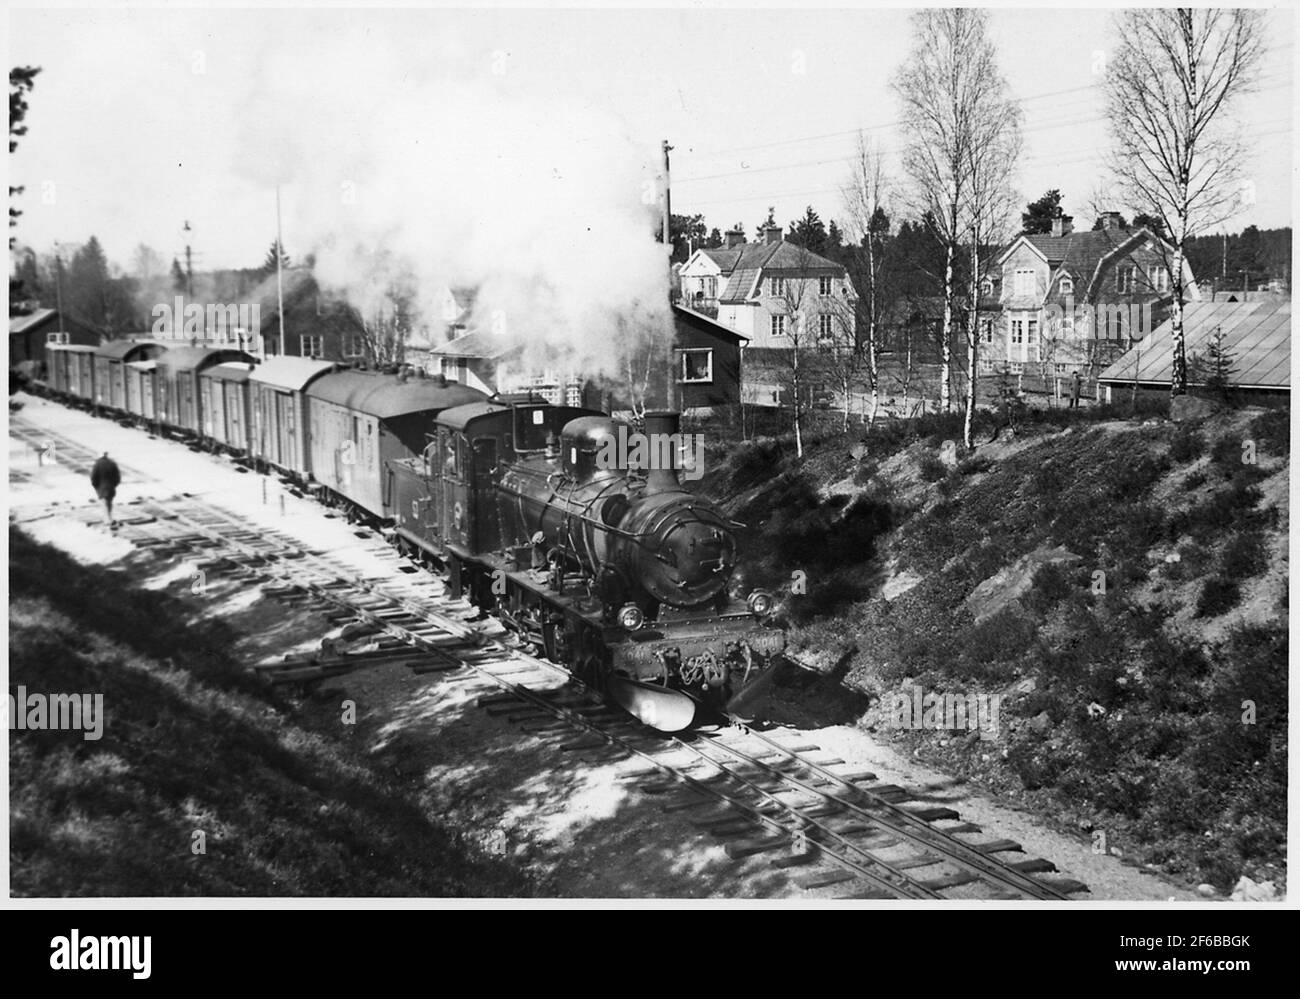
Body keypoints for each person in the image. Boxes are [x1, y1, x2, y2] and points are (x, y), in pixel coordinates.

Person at [90, 452, 121, 527]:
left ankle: (107, 521)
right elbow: (118, 477)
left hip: (101, 487)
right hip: (111, 487)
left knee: (104, 504)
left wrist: (96, 486)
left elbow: (93, 477)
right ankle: (110, 518)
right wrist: (114, 485)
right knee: (109, 503)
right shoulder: (112, 463)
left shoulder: (97, 464)